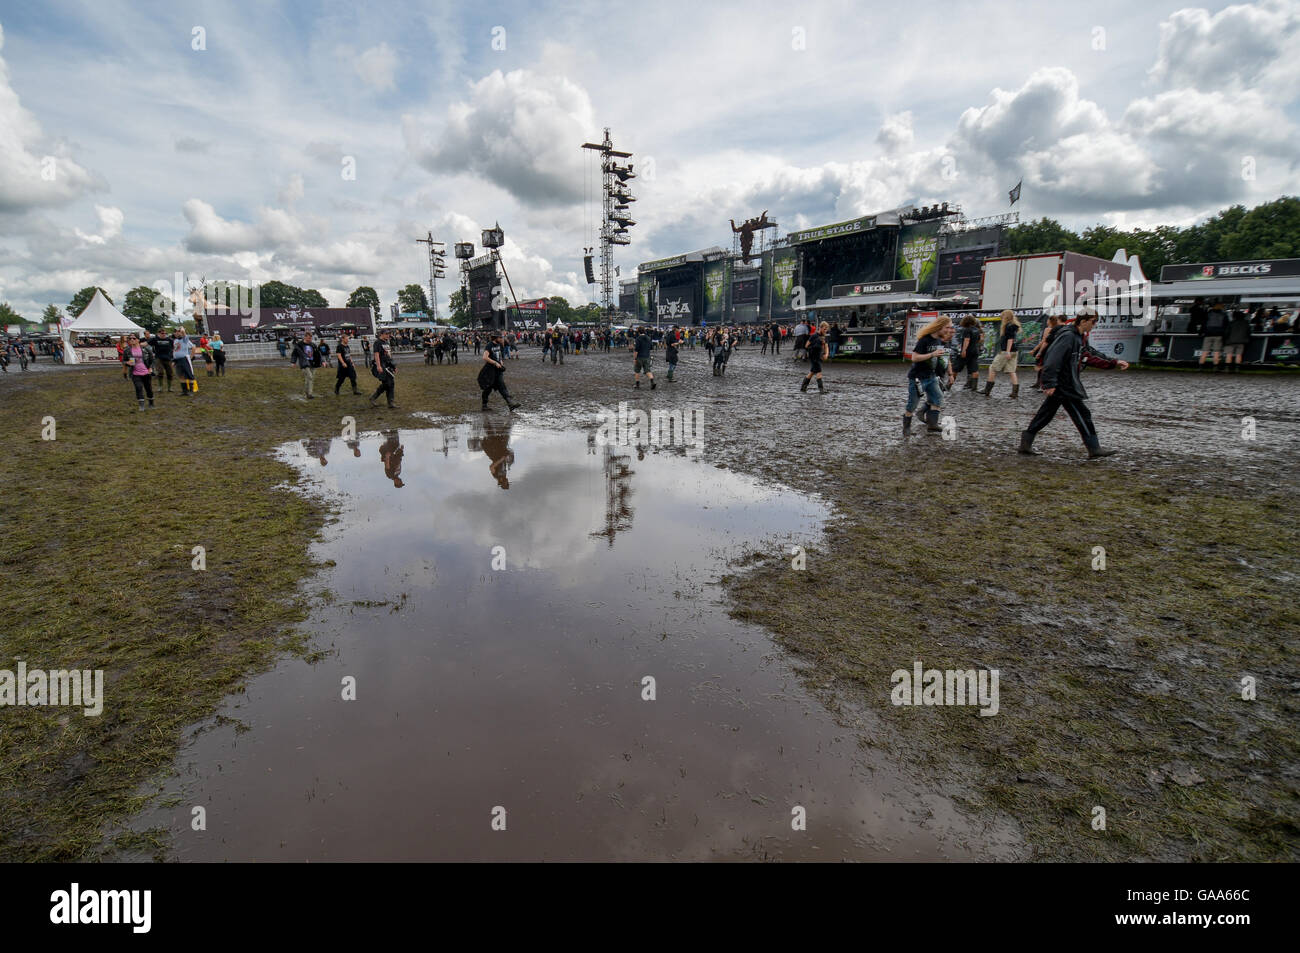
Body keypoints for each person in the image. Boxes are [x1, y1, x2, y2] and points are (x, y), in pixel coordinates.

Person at [1018, 309, 1129, 459]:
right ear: (1083, 321)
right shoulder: (1068, 336)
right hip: (1064, 384)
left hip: (1065, 382)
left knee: (1045, 414)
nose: (1094, 325)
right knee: (1082, 414)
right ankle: (1094, 448)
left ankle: (1025, 444)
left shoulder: (1079, 337)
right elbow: (1053, 359)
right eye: (1093, 321)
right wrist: (1049, 383)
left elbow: (1089, 355)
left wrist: (1113, 362)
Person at [904, 315, 955, 435]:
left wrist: (949, 373)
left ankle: (932, 424)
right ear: (939, 326)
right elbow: (914, 357)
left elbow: (945, 358)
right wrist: (932, 354)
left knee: (938, 399)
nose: (949, 330)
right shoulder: (925, 340)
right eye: (947, 327)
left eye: (950, 327)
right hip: (918, 377)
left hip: (932, 377)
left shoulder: (940, 341)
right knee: (912, 404)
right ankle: (906, 428)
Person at [982, 310, 1021, 398]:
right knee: (1012, 371)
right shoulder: (1015, 326)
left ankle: (987, 390)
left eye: (1002, 316)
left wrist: (1007, 351)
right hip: (1014, 351)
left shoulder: (1008, 326)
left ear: (1005, 317)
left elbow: (1010, 339)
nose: (1001, 318)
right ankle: (1015, 392)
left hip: (1006, 351)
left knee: (992, 368)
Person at [478, 331, 519, 410]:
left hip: (498, 370)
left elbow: (499, 355)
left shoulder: (499, 345)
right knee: (488, 388)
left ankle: (510, 404)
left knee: (502, 386)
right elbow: (485, 357)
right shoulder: (489, 345)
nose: (501, 339)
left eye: (501, 337)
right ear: (495, 338)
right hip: (489, 370)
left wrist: (501, 362)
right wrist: (495, 363)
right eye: (500, 337)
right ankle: (484, 405)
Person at [1030, 314, 1065, 390]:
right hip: (1054, 349)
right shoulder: (1060, 328)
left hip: (1047, 349)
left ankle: (1042, 384)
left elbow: (1044, 341)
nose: (1046, 321)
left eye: (1048, 320)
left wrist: (1036, 350)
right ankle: (1039, 383)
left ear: (1050, 321)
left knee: (1041, 367)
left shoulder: (1048, 329)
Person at [121, 334, 155, 411]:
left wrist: (150, 368)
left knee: (148, 388)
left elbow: (152, 359)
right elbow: (123, 360)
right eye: (130, 339)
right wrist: (127, 363)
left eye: (134, 338)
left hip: (146, 372)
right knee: (138, 387)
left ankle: (151, 403)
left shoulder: (145, 349)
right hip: (135, 372)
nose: (132, 340)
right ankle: (141, 405)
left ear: (138, 340)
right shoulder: (127, 350)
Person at [369, 328, 398, 409]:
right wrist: (378, 366)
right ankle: (374, 397)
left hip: (388, 365)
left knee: (391, 383)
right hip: (381, 365)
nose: (388, 335)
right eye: (386, 334)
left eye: (389, 334)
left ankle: (390, 402)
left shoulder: (386, 343)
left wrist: (393, 366)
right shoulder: (377, 342)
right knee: (387, 383)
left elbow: (389, 356)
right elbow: (376, 354)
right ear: (381, 334)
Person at [291, 331, 323, 399]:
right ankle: (310, 394)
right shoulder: (299, 345)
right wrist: (293, 362)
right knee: (310, 377)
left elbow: (318, 354)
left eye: (310, 338)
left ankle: (306, 392)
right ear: (305, 337)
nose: (309, 340)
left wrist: (322, 361)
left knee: (309, 379)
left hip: (313, 364)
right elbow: (294, 354)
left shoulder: (313, 345)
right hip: (304, 363)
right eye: (308, 338)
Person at [955, 315, 983, 390]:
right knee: (974, 369)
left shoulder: (967, 330)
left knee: (956, 368)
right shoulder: (977, 330)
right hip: (975, 350)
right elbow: (980, 340)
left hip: (967, 351)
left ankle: (949, 384)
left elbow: (967, 340)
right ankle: (974, 387)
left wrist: (964, 350)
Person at [801, 321, 829, 393]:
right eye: (824, 329)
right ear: (820, 327)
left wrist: (826, 354)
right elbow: (806, 345)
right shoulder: (814, 336)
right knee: (819, 371)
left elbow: (826, 346)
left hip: (819, 356)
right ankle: (821, 390)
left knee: (812, 372)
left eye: (826, 329)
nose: (825, 330)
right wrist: (814, 348)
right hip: (813, 356)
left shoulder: (823, 337)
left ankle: (803, 387)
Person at [1200, 302, 1228, 370]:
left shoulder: (1208, 314)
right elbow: (1226, 326)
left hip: (1208, 334)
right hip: (1219, 335)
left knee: (1205, 351)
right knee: (1216, 352)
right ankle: (1215, 367)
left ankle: (1200, 367)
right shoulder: (1224, 315)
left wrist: (1201, 332)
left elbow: (1203, 324)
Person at [172, 328, 197, 395]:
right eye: (176, 332)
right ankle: (184, 391)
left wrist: (182, 330)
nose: (177, 333)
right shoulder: (175, 340)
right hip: (177, 360)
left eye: (178, 332)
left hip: (184, 359)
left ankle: (191, 391)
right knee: (181, 375)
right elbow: (175, 350)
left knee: (189, 374)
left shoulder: (185, 339)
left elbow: (192, 346)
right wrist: (174, 360)